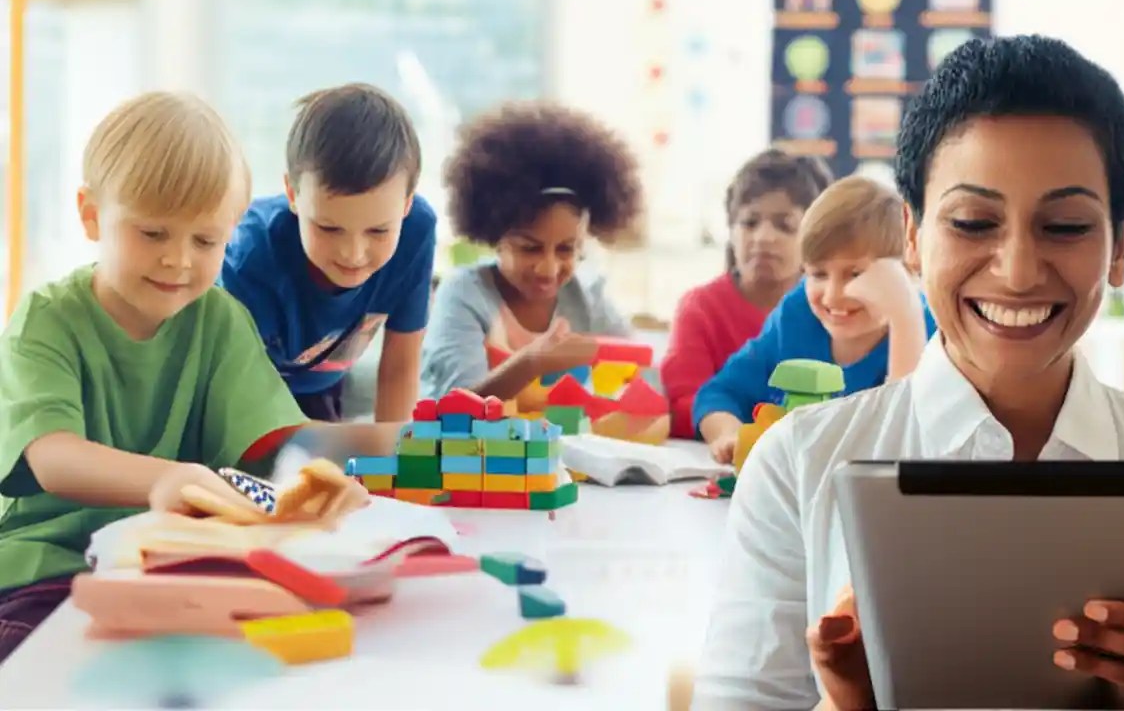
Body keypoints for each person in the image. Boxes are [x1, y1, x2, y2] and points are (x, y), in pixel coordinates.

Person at [692, 35, 1124, 710]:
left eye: (1064, 225)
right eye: (973, 222)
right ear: (911, 237)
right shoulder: (798, 466)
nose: (1019, 271)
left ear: (1121, 244)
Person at [0, 92, 359, 664]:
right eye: (152, 234)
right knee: (43, 671)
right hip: (48, 567)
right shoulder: (46, 320)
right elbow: (54, 457)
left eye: (205, 240)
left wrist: (321, 478)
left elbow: (270, 446)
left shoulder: (219, 320)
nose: (179, 261)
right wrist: (170, 478)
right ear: (91, 215)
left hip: (179, 562)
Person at [221, 83, 436, 422]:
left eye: (378, 230)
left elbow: (400, 368)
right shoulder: (250, 255)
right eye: (328, 228)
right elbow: (234, 398)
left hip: (321, 387)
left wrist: (397, 465)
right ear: (293, 193)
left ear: (406, 204)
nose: (353, 253)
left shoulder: (417, 232)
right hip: (240, 392)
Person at [693, 175, 934, 463]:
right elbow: (719, 393)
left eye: (855, 274)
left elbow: (908, 440)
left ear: (907, 272)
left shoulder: (926, 330)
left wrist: (904, 314)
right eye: (818, 274)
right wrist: (727, 434)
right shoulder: (796, 315)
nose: (832, 296)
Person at [421, 101, 643, 408]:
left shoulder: (588, 296)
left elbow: (640, 373)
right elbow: (456, 408)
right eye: (530, 247)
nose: (549, 268)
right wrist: (532, 362)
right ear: (496, 236)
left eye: (567, 249)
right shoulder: (463, 295)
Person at [660, 150, 833, 439]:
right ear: (730, 229)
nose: (764, 237)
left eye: (785, 225)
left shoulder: (832, 308)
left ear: (816, 235)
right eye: (750, 222)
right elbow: (682, 404)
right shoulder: (700, 308)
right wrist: (735, 430)